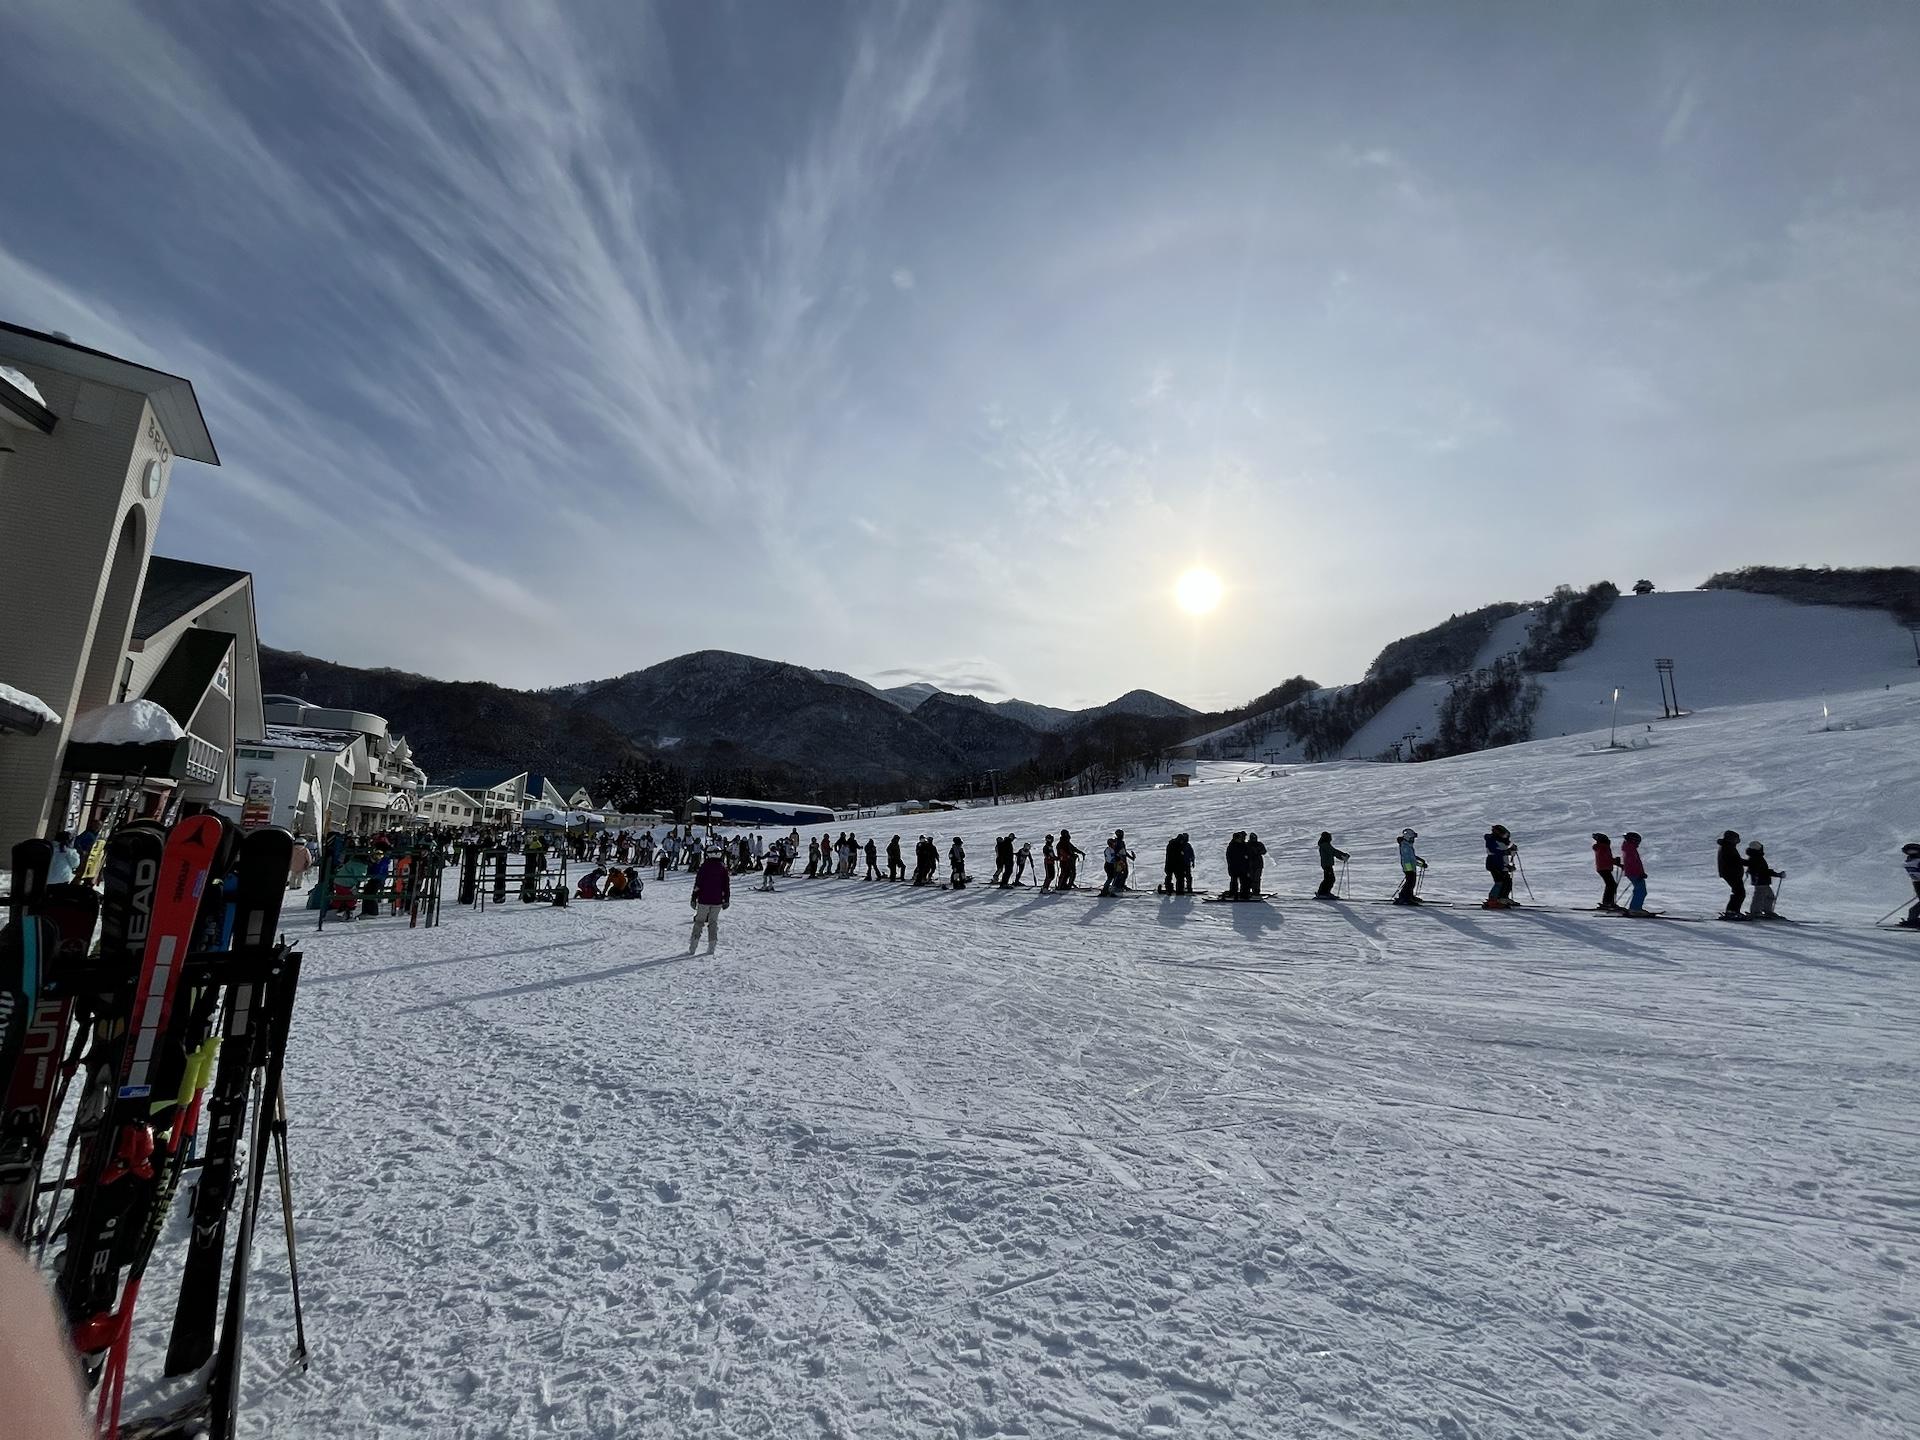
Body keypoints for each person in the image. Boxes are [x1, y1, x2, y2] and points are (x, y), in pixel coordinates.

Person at [690, 848, 731, 954]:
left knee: (699, 922)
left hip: (704, 899)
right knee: (713, 923)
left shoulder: (704, 866)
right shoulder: (723, 867)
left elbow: (698, 883)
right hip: (717, 900)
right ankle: (712, 947)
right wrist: (726, 899)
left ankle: (693, 946)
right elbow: (726, 885)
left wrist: (693, 897)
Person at [1744, 841, 1785, 919]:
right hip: (1760, 881)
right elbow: (1763, 871)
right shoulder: (1756, 857)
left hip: (1762, 880)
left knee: (1769, 896)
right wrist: (1777, 874)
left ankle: (1767, 911)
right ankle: (1756, 911)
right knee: (1759, 896)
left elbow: (1757, 868)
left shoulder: (1756, 856)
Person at [1483, 824, 1517, 908]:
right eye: (1504, 835)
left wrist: (1512, 849)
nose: (1505, 837)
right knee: (1499, 882)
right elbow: (1495, 852)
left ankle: (1503, 898)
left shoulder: (1501, 841)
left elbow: (1504, 851)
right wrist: (1508, 852)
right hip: (1494, 864)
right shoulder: (1491, 840)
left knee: (1507, 881)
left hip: (1501, 864)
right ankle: (1493, 900)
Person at [1716, 830, 1746, 919]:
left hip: (1731, 873)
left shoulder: (1728, 846)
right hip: (1731, 873)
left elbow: (1736, 860)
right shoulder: (1727, 847)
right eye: (1736, 839)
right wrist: (1749, 863)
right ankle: (1732, 911)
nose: (1738, 841)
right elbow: (1736, 860)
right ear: (1731, 839)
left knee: (1738, 892)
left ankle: (1732, 911)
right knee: (1739, 892)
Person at [1394, 827, 1427, 905]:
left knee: (1411, 882)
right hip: (1408, 866)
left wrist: (1420, 863)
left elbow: (1412, 857)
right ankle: (1405, 898)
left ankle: (1408, 896)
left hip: (1410, 866)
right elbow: (1409, 859)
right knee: (1410, 882)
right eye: (1412, 838)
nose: (1413, 840)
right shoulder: (1405, 846)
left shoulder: (1407, 845)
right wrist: (1418, 864)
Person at [1621, 832, 1650, 914]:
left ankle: (1635, 908)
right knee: (1641, 890)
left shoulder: (1629, 847)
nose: (1638, 843)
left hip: (1633, 872)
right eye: (1637, 841)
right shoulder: (1630, 848)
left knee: (1639, 890)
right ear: (1633, 840)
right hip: (1634, 873)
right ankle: (1635, 909)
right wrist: (1640, 873)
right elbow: (1633, 862)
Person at [1592, 833, 1621, 911]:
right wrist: (1615, 861)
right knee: (1611, 885)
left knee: (1611, 884)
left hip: (1603, 868)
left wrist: (1617, 863)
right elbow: (1607, 859)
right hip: (1604, 868)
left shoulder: (1602, 847)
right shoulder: (1603, 847)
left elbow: (1607, 859)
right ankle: (1607, 903)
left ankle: (1608, 902)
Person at [1315, 832, 1348, 898]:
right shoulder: (1325, 845)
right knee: (1330, 879)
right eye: (1329, 837)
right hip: (1327, 864)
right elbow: (1333, 851)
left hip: (1327, 864)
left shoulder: (1325, 844)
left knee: (1328, 879)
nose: (1331, 839)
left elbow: (1333, 851)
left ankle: (1323, 893)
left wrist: (1342, 856)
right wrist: (1343, 856)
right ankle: (1323, 893)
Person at [1900, 843, 1920, 928]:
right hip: (1917, 883)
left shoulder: (1914, 861)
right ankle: (1912, 921)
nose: (1911, 853)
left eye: (1913, 851)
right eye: (1909, 851)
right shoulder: (1911, 861)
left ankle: (1913, 920)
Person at [1224, 832, 1247, 900]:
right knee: (1234, 881)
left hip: (1242, 867)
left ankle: (1244, 894)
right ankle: (1233, 894)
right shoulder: (1231, 846)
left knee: (1243, 881)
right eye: (1238, 838)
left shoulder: (1243, 845)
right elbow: (1229, 857)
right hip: (1234, 867)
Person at [1246, 832, 1267, 897]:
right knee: (1250, 878)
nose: (1254, 839)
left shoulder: (1259, 844)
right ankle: (1249, 890)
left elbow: (1264, 851)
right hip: (1250, 864)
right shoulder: (1247, 845)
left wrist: (1257, 851)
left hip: (1258, 864)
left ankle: (1256, 891)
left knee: (1257, 878)